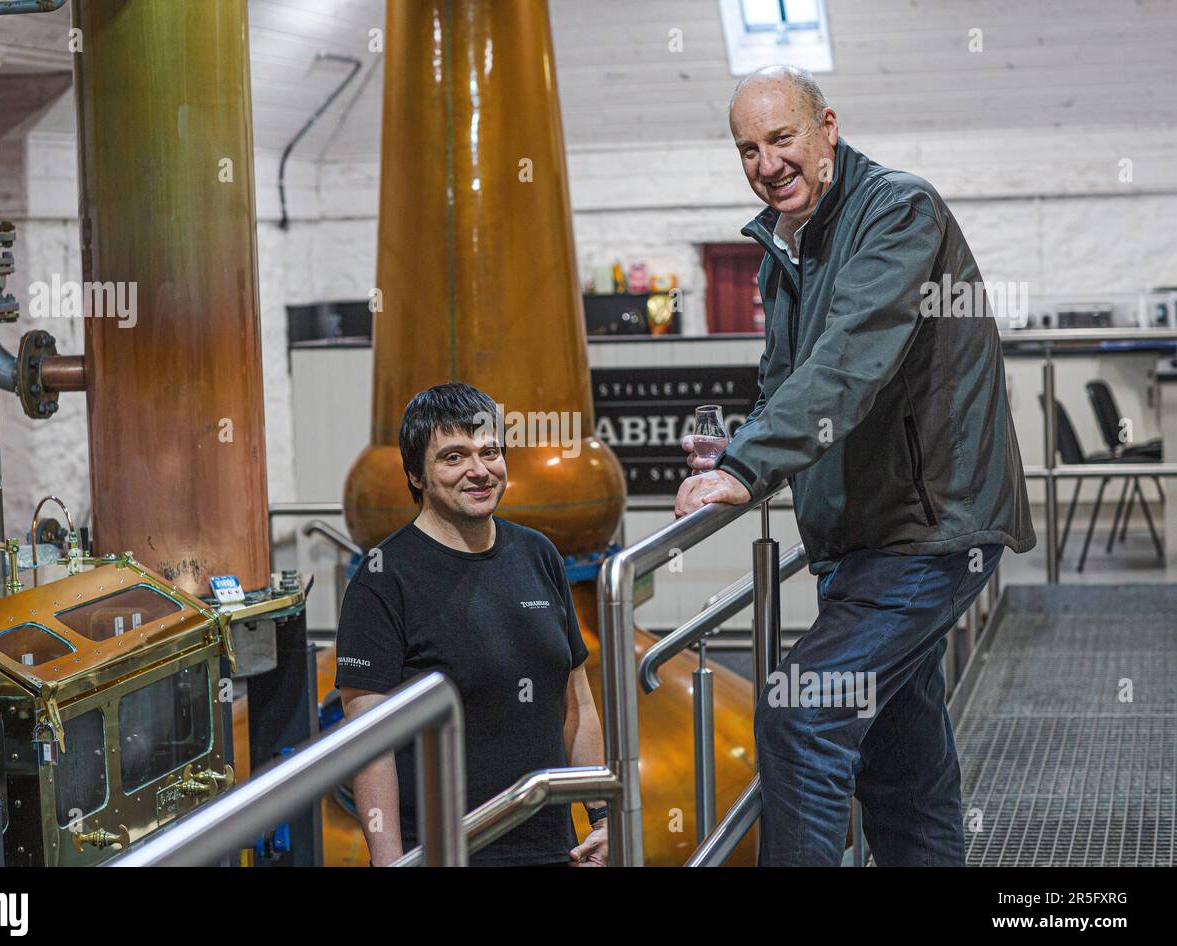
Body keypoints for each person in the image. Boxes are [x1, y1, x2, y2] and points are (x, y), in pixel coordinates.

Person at [675, 65, 1035, 866]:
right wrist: (738, 452)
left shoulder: (899, 209)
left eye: (782, 138)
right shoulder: (784, 246)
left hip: (930, 528)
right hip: (861, 540)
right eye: (747, 149)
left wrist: (745, 467)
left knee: (802, 711)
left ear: (827, 127)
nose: (766, 163)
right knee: (902, 770)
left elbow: (851, 360)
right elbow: (784, 383)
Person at [334, 382, 608, 866]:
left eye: (490, 452)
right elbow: (368, 744)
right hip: (446, 851)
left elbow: (578, 704)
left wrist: (602, 818)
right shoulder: (383, 577)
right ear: (417, 475)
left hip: (552, 847)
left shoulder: (537, 553)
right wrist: (390, 861)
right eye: (454, 457)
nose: (479, 471)